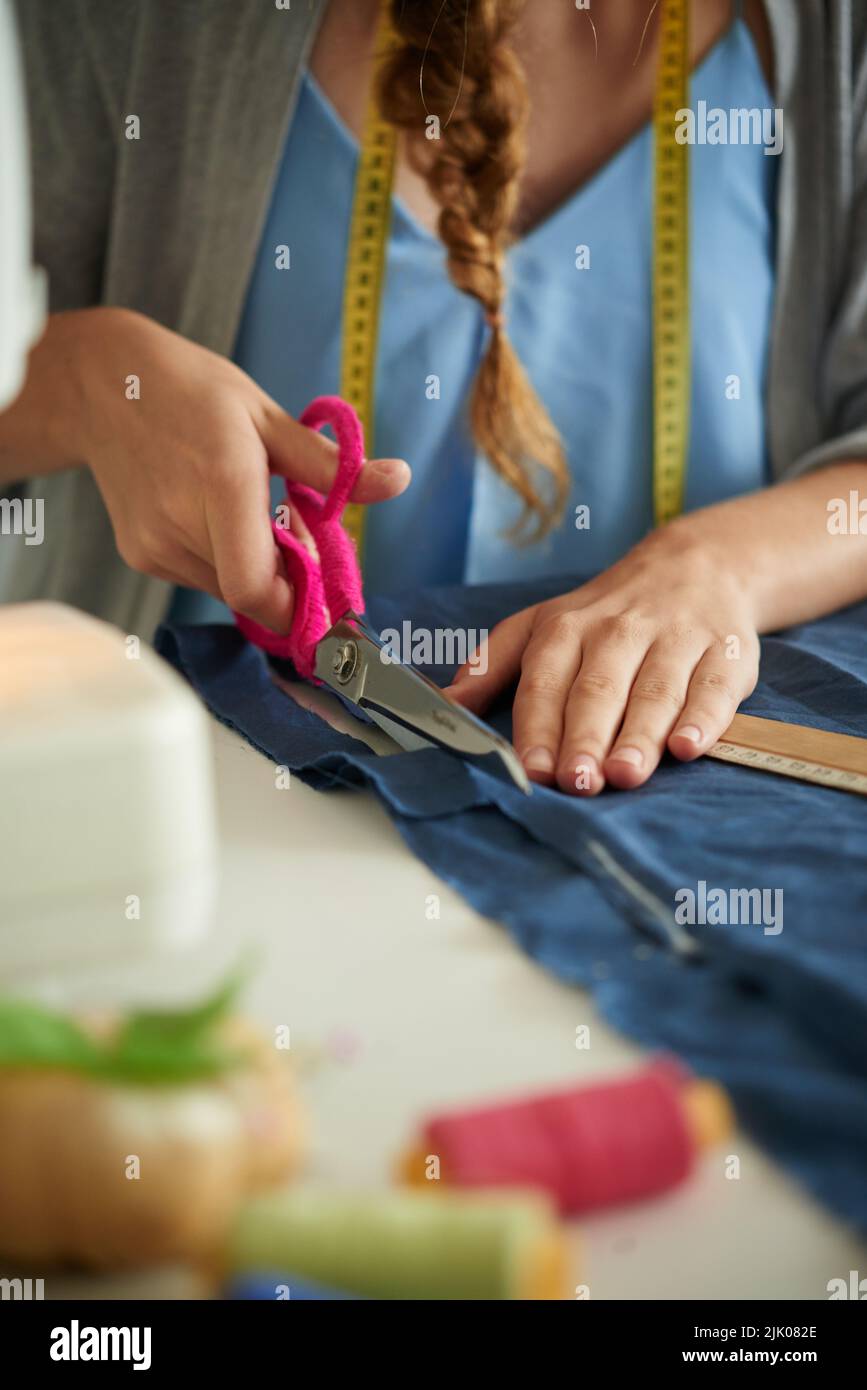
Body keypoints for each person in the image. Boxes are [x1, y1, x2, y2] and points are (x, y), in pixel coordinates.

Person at [1, 0, 866, 796]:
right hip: (188, 794)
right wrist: (89, 382)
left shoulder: (837, 35)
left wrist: (718, 568)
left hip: (657, 802)